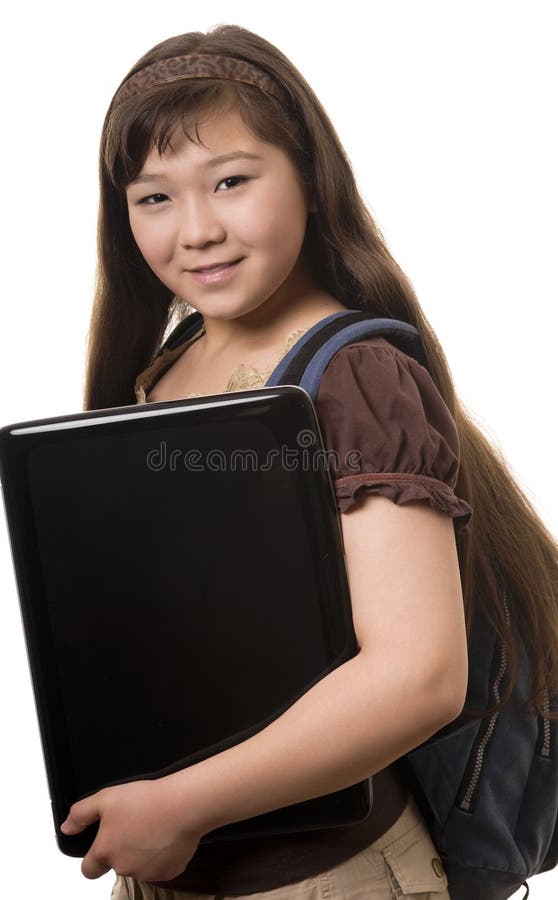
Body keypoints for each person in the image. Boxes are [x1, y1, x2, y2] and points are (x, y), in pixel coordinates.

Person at [61, 24, 558, 899]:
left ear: (311, 183)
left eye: (231, 181)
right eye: (154, 198)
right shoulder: (170, 367)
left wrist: (181, 805)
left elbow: (418, 677)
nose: (198, 230)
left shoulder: (359, 380)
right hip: (179, 858)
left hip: (329, 877)